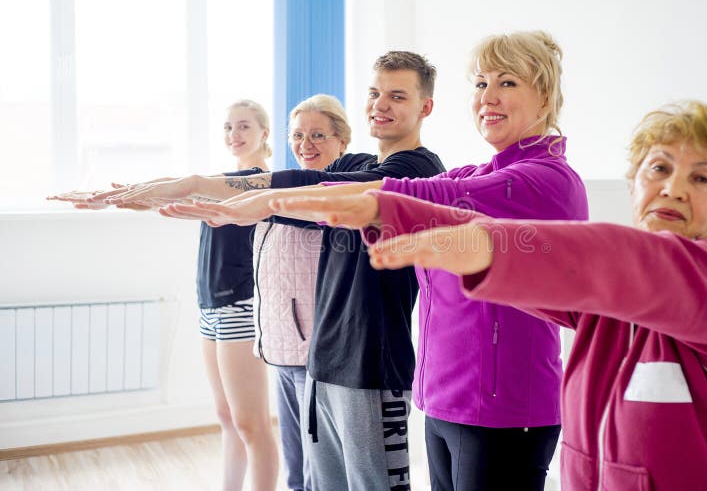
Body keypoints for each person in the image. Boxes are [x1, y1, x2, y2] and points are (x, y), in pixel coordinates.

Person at [281, 101, 707, 490]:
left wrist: (479, 242)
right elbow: (538, 266)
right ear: (634, 183)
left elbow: (598, 255)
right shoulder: (609, 296)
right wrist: (380, 210)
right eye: (659, 169)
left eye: (701, 178)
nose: (672, 189)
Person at [176, 31, 587, 490]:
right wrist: (245, 191)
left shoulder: (540, 179)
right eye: (479, 83)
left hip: (502, 409)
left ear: (546, 96)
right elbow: (347, 184)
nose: (488, 96)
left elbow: (403, 193)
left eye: (507, 83)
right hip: (445, 402)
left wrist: (266, 201)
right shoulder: (478, 173)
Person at [95, 52, 447, 490]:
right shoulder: (350, 168)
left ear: (424, 107)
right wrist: (198, 188)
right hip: (325, 362)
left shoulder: (420, 171)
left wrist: (214, 193)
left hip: (373, 367)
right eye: (375, 93)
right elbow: (292, 183)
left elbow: (308, 192)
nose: (381, 104)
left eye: (397, 96)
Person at [49, 100, 280, 491]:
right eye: (227, 127)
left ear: (264, 133)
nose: (234, 135)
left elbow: (186, 189)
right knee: (226, 416)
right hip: (210, 304)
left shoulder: (261, 182)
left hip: (241, 305)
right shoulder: (221, 180)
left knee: (251, 422)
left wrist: (120, 196)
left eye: (243, 126)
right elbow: (172, 197)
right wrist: (108, 197)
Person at [253, 94, 351, 491]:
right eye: (297, 135)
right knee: (295, 470)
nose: (305, 144)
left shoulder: (334, 197)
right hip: (280, 348)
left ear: (341, 141)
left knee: (317, 472)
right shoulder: (287, 190)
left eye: (317, 135)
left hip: (313, 353)